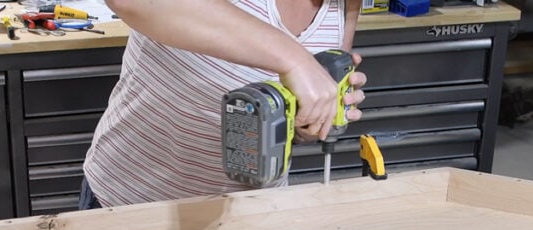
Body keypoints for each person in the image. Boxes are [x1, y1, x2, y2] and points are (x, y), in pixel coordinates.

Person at [80, 0, 367, 209]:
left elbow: (310, 96)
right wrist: (295, 58)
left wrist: (307, 120)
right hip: (131, 204)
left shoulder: (345, 4)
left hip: (251, 214)